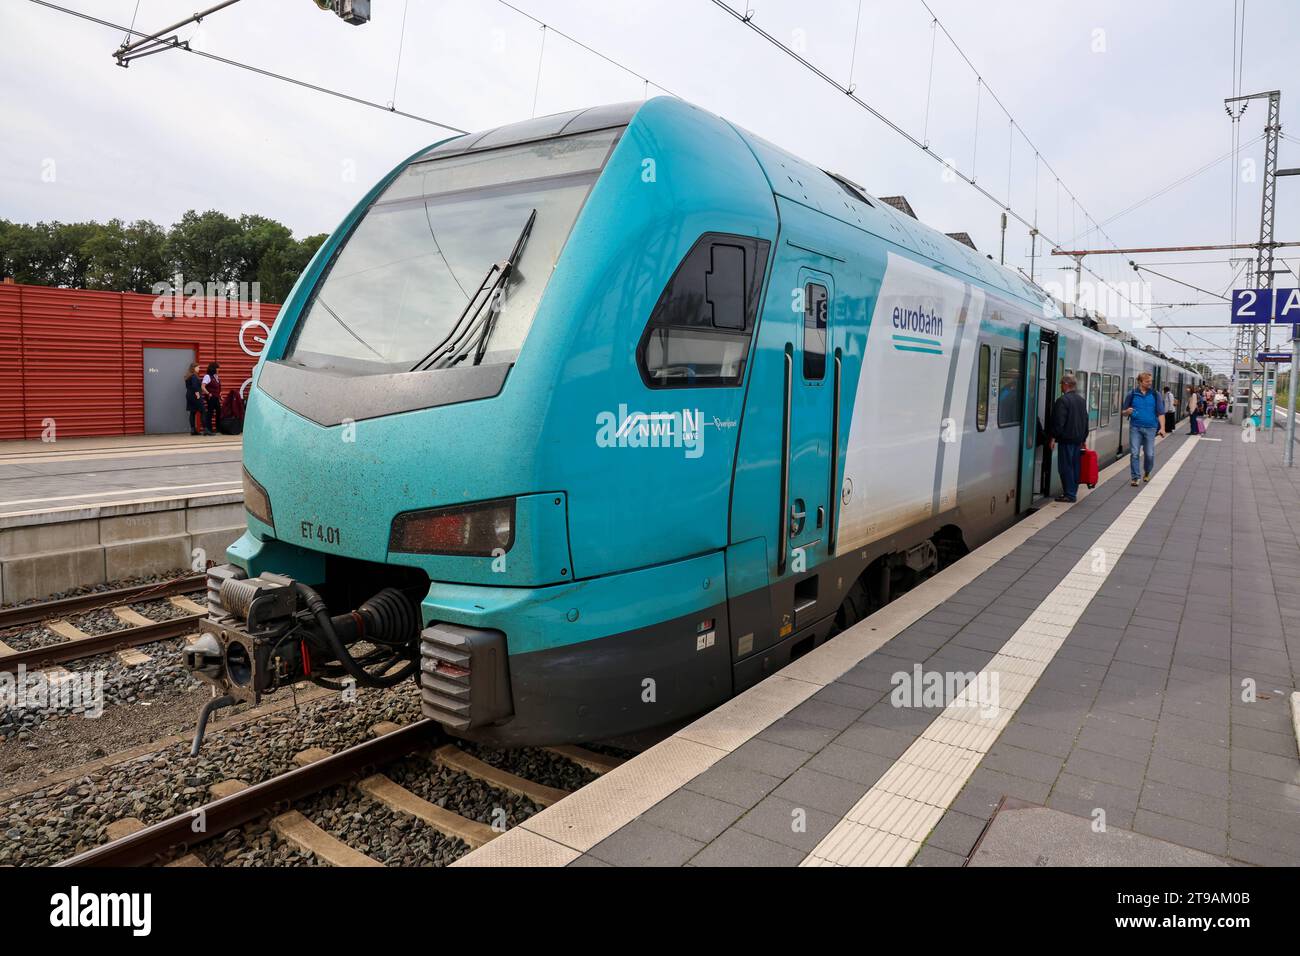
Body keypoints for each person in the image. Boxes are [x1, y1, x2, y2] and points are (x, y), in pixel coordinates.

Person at [1047, 374, 1089, 503]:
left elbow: (1059, 422)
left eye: (1061, 384)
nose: (1060, 386)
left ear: (1066, 384)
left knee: (1065, 467)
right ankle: (1072, 491)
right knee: (1075, 467)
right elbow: (1085, 421)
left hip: (1066, 440)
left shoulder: (1062, 401)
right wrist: (1083, 438)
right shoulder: (1081, 400)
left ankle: (1069, 494)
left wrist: (1053, 437)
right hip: (1077, 440)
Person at [1121, 371, 1165, 486]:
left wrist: (1163, 428)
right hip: (1135, 427)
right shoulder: (1132, 394)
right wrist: (1127, 412)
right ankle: (1135, 477)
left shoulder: (1156, 394)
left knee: (1149, 454)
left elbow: (1161, 413)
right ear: (1140, 382)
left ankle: (1147, 471)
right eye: (1147, 381)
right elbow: (1123, 412)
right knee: (1134, 453)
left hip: (1151, 428)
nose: (1150, 383)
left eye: (1151, 381)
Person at [201, 362, 222, 436]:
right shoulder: (207, 376)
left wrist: (220, 395)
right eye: (217, 368)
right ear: (213, 369)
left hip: (216, 397)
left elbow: (218, 387)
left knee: (219, 411)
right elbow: (203, 386)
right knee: (210, 413)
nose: (218, 370)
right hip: (211, 397)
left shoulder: (216, 376)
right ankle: (208, 429)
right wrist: (208, 393)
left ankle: (217, 428)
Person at [184, 362, 204, 435]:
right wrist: (197, 393)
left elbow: (188, 386)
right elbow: (195, 386)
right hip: (195, 395)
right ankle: (206, 430)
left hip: (189, 395)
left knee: (192, 412)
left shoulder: (188, 376)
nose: (199, 369)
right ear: (194, 368)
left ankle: (193, 430)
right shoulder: (194, 376)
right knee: (203, 411)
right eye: (198, 367)